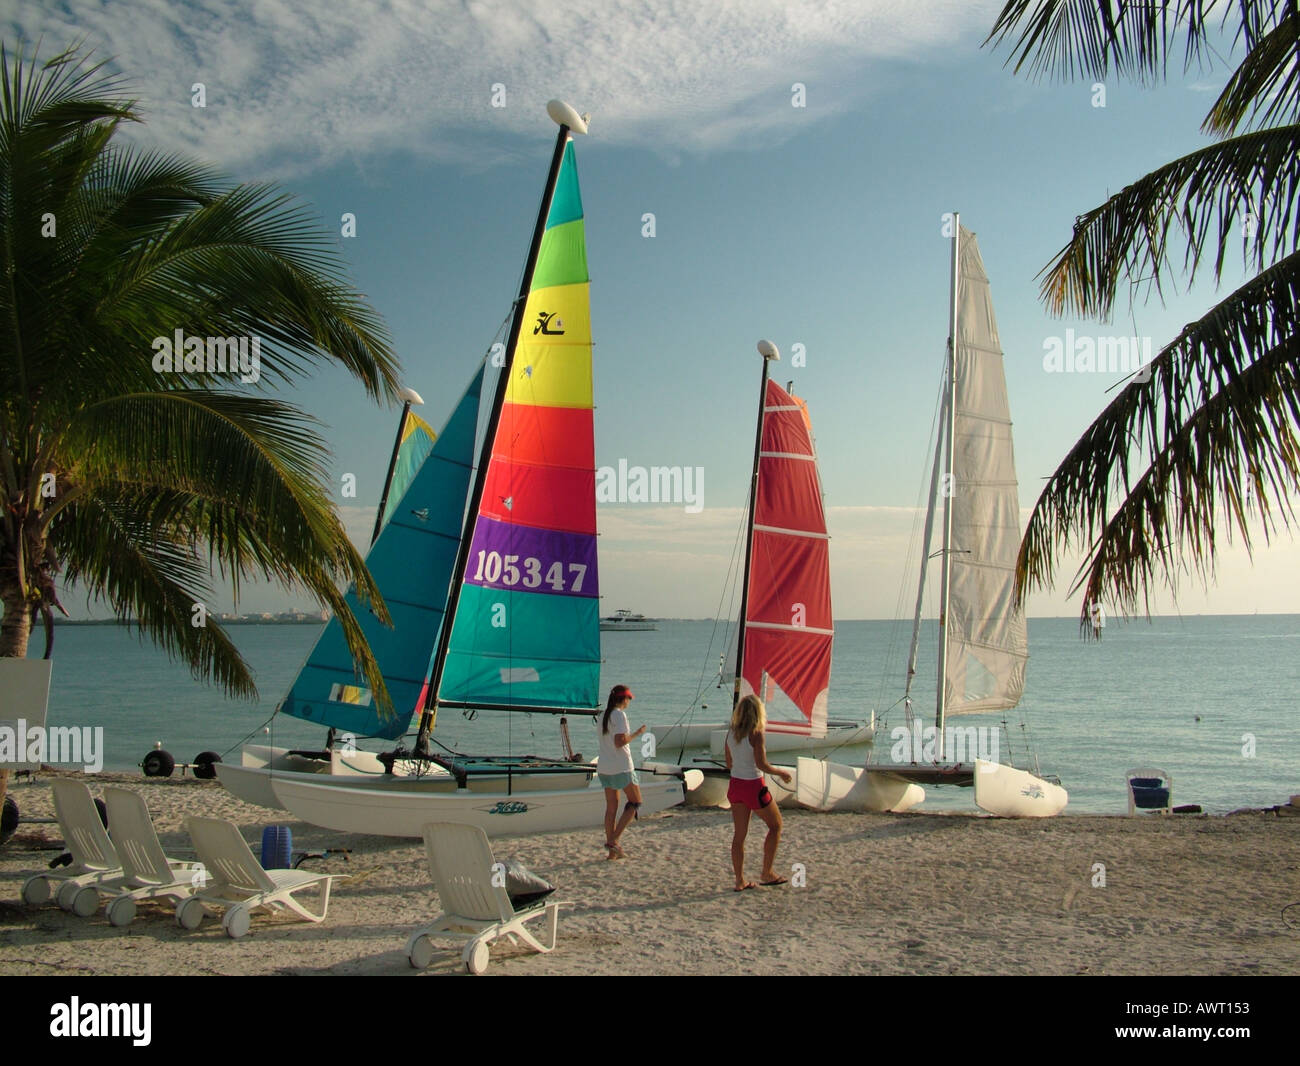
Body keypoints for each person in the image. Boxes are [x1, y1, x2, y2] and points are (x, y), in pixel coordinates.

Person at [724, 694, 792, 891]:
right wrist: (781, 773)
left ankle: (739, 881)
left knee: (739, 835)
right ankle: (767, 872)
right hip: (753, 785)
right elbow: (762, 764)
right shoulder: (756, 733)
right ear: (758, 712)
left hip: (735, 785)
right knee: (776, 825)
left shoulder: (731, 732)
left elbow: (729, 763)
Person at [597, 684, 647, 859]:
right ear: (623, 699)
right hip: (621, 766)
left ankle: (612, 852)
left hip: (604, 767)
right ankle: (614, 840)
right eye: (629, 699)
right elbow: (620, 741)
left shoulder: (603, 715)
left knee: (611, 808)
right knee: (635, 802)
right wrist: (637, 733)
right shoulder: (619, 715)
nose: (629, 702)